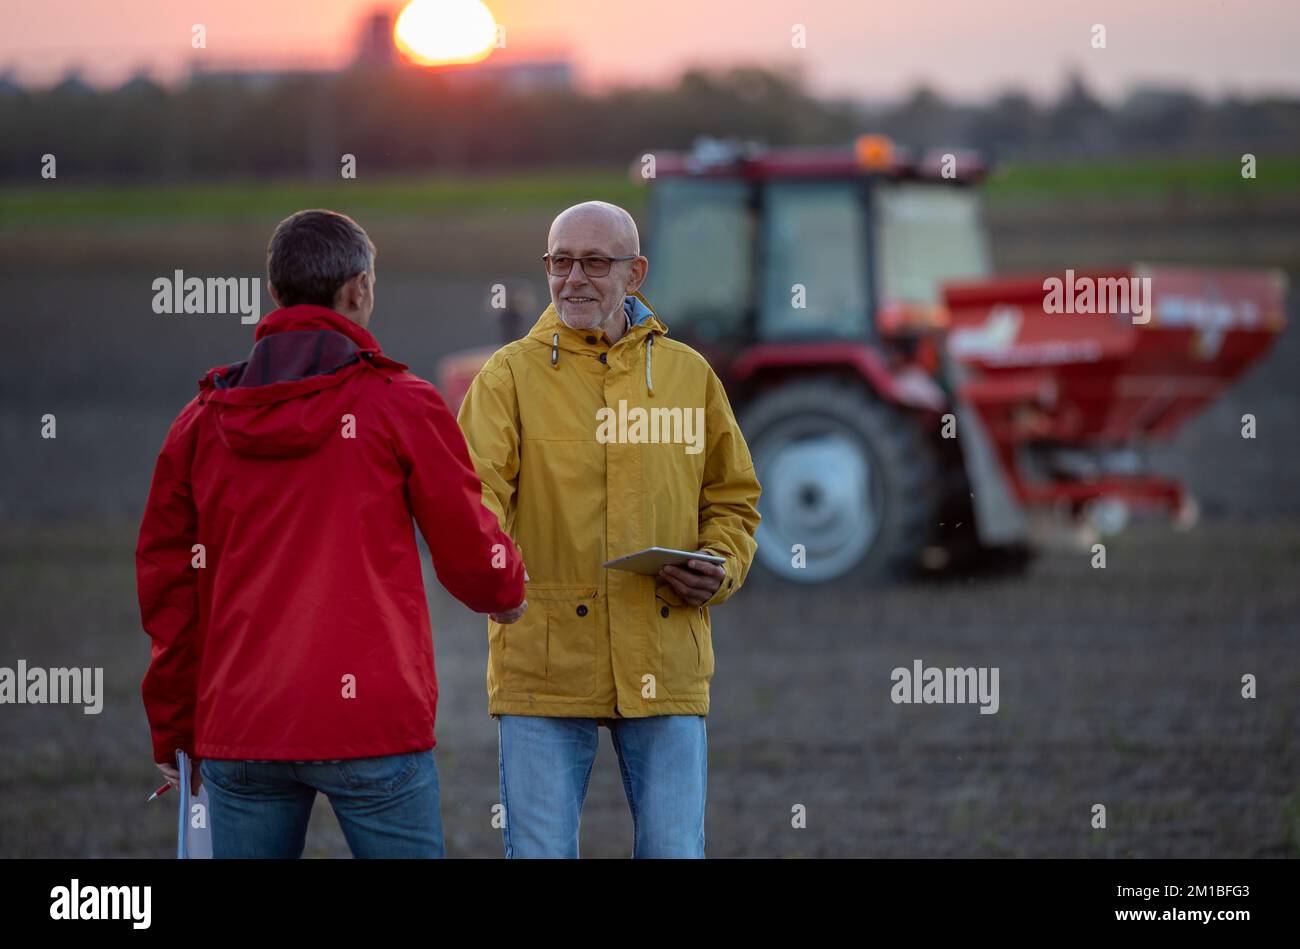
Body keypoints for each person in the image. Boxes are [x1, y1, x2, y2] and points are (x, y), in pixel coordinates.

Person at [137, 209, 526, 858]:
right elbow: (467, 541)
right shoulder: (399, 402)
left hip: (243, 726)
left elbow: (168, 595)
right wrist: (504, 589)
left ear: (275, 293)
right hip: (371, 724)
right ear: (358, 290)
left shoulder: (200, 423)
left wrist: (175, 733)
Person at [457, 200, 761, 858]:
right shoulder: (506, 377)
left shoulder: (688, 376)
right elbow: (471, 500)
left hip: (665, 650)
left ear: (636, 273)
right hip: (542, 659)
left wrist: (719, 563)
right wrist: (500, 576)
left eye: (595, 261)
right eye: (560, 261)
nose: (574, 278)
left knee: (674, 850)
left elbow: (734, 498)